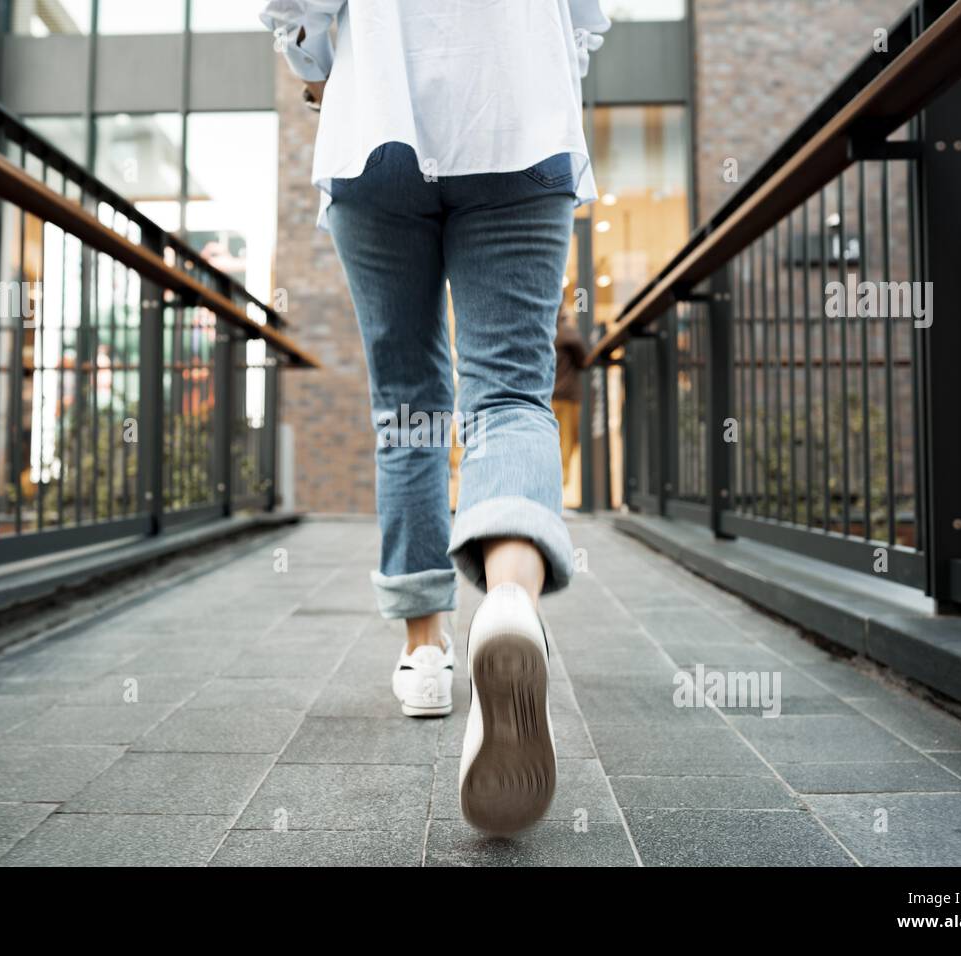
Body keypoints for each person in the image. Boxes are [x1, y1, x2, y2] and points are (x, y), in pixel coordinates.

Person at [261, 0, 610, 836]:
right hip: (519, 118)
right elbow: (586, 19)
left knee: (409, 399)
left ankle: (424, 649)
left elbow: (297, 9)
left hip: (377, 122)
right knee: (511, 393)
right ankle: (511, 597)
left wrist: (315, 64)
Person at [553, 308, 588, 501]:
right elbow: (584, 360)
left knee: (553, 444)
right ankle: (560, 491)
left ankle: (555, 489)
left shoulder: (544, 329)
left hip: (548, 397)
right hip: (566, 398)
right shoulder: (567, 332)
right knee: (567, 444)